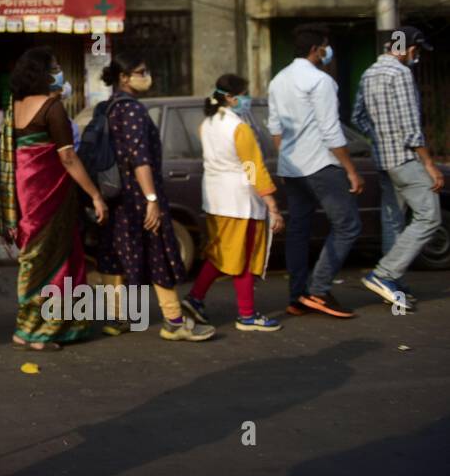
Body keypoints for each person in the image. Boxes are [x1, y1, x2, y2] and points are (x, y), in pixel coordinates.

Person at [96, 54, 214, 341]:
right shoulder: (133, 110)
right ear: (124, 77)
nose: (146, 75)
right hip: (138, 195)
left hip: (114, 194)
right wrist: (151, 198)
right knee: (158, 250)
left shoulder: (107, 107)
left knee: (117, 253)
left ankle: (117, 318)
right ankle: (174, 321)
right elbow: (140, 159)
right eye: (141, 71)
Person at [2, 48, 108, 349]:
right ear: (42, 72)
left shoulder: (16, 105)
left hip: (26, 193)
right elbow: (68, 158)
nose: (59, 71)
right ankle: (42, 333)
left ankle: (25, 327)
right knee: (58, 262)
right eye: (55, 66)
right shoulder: (52, 107)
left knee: (34, 260)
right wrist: (95, 195)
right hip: (51, 195)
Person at [267, 23, 364, 318]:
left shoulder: (278, 80)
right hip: (321, 165)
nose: (328, 51)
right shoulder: (320, 82)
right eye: (325, 46)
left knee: (298, 230)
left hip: (293, 167)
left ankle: (297, 296)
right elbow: (331, 132)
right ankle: (319, 291)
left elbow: (274, 128)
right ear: (315, 49)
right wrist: (351, 170)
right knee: (348, 226)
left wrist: (287, 158)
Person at [184, 75, 285, 332]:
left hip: (215, 200)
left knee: (221, 253)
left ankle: (195, 297)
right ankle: (247, 315)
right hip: (241, 202)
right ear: (230, 97)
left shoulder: (207, 123)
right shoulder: (238, 127)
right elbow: (253, 167)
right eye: (244, 93)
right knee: (246, 256)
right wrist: (271, 203)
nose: (247, 99)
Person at [352, 27, 443, 310]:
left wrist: (380, 137)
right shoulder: (400, 74)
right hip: (404, 159)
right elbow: (411, 126)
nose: (415, 57)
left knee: (394, 220)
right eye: (415, 51)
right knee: (429, 216)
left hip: (383, 159)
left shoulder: (369, 73)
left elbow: (358, 117)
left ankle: (392, 281)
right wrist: (429, 164)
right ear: (407, 48)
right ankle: (385, 274)